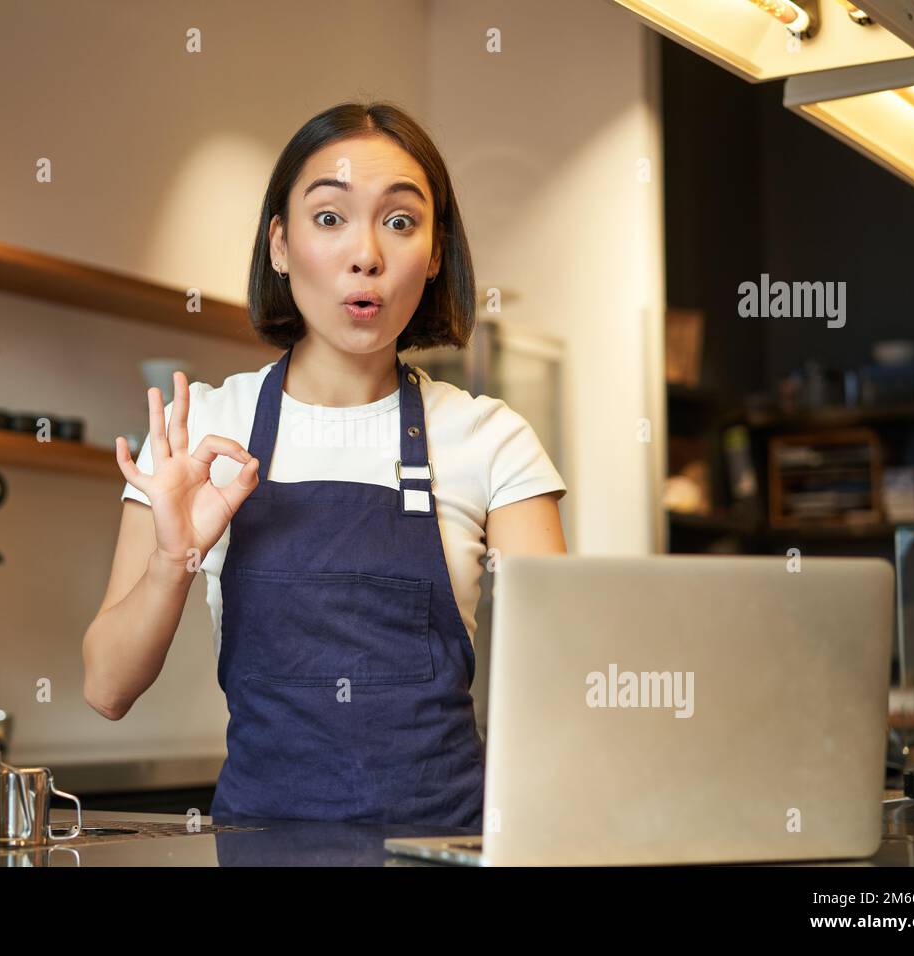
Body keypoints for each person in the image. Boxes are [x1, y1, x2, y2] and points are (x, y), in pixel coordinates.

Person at [82, 101, 567, 829]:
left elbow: (558, 695)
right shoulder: (202, 431)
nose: (365, 253)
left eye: (400, 222)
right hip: (261, 849)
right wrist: (174, 556)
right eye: (330, 217)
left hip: (441, 854)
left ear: (435, 255)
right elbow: (106, 687)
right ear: (279, 244)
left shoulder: (491, 439)